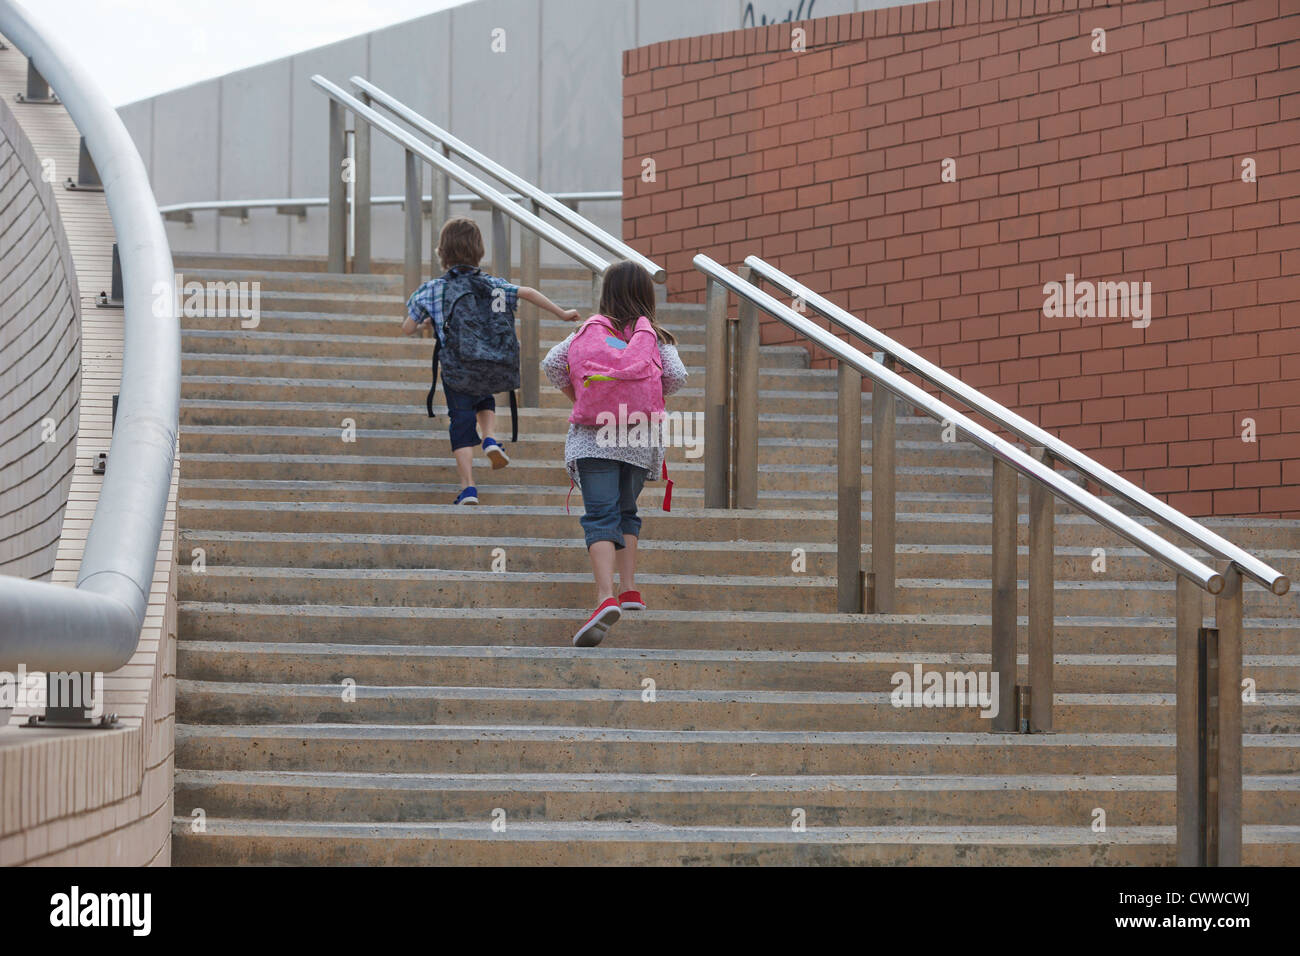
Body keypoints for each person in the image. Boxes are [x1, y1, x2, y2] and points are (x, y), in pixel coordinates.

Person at [542, 261, 687, 646]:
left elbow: (552, 364)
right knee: (627, 512)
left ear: (606, 293)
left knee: (600, 516)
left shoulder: (586, 332)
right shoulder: (655, 336)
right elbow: (676, 377)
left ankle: (605, 598)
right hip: (638, 440)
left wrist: (586, 398)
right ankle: (630, 589)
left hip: (594, 436)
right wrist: (638, 398)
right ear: (647, 295)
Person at [403, 217, 580, 504]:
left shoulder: (434, 289)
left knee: (460, 423)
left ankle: (469, 487)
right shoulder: (493, 284)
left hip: (456, 369)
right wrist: (562, 313)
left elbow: (408, 328)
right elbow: (527, 292)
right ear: (478, 251)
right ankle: (488, 438)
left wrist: (426, 321)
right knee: (484, 396)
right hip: (490, 362)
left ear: (443, 252)